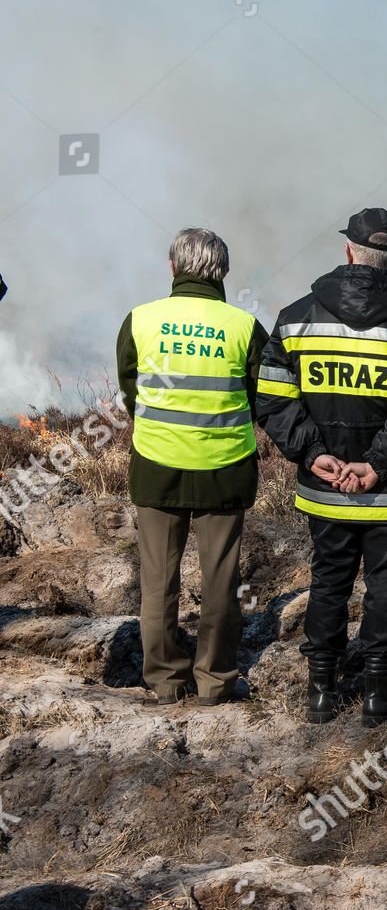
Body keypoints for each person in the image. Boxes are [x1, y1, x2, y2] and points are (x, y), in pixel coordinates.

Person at [257, 208, 387, 726]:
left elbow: (272, 397)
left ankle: (321, 693)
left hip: (325, 487)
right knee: (386, 584)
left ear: (348, 250)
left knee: (329, 580)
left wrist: (313, 454)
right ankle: (379, 697)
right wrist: (375, 466)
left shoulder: (296, 317)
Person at [116, 227, 268, 706]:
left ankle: (165, 680)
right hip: (224, 469)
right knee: (221, 581)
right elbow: (261, 396)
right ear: (223, 270)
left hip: (157, 466)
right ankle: (215, 681)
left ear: (173, 267)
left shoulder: (141, 320)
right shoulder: (244, 327)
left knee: (158, 582)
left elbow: (131, 392)